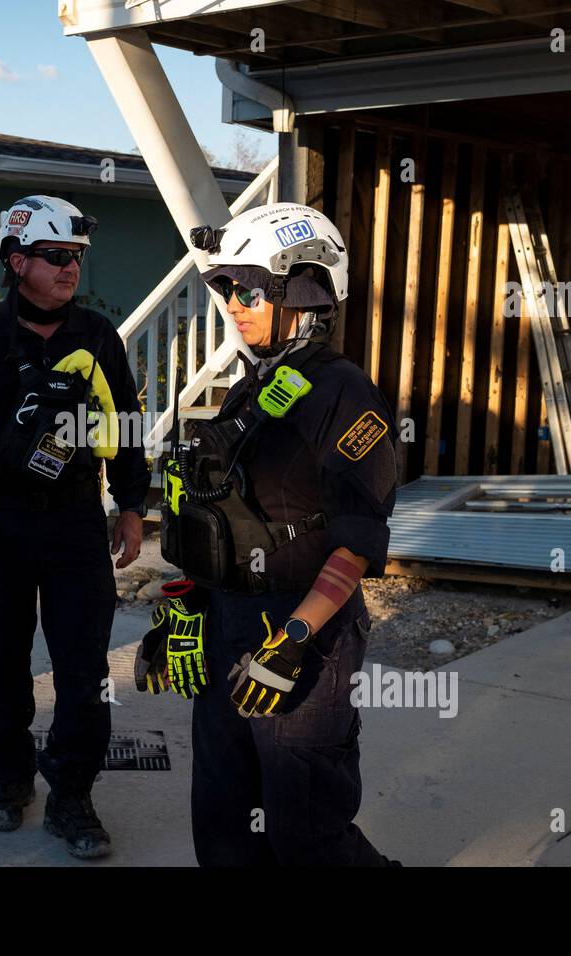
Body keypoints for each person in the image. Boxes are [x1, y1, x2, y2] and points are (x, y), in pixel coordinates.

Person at [149, 202, 401, 865]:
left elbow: (356, 540)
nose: (233, 303)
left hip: (302, 638)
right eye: (227, 287)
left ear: (304, 290)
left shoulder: (344, 393)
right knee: (225, 821)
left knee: (306, 832)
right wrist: (185, 611)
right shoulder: (251, 388)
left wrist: (292, 640)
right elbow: (224, 515)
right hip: (230, 623)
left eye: (249, 288)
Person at [0, 195, 149, 858]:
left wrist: (132, 504)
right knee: (4, 660)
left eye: (75, 257)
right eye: (55, 257)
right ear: (16, 261)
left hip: (75, 525)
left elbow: (126, 425)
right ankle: (10, 779)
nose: (70, 269)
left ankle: (72, 795)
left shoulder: (98, 337)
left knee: (81, 664)